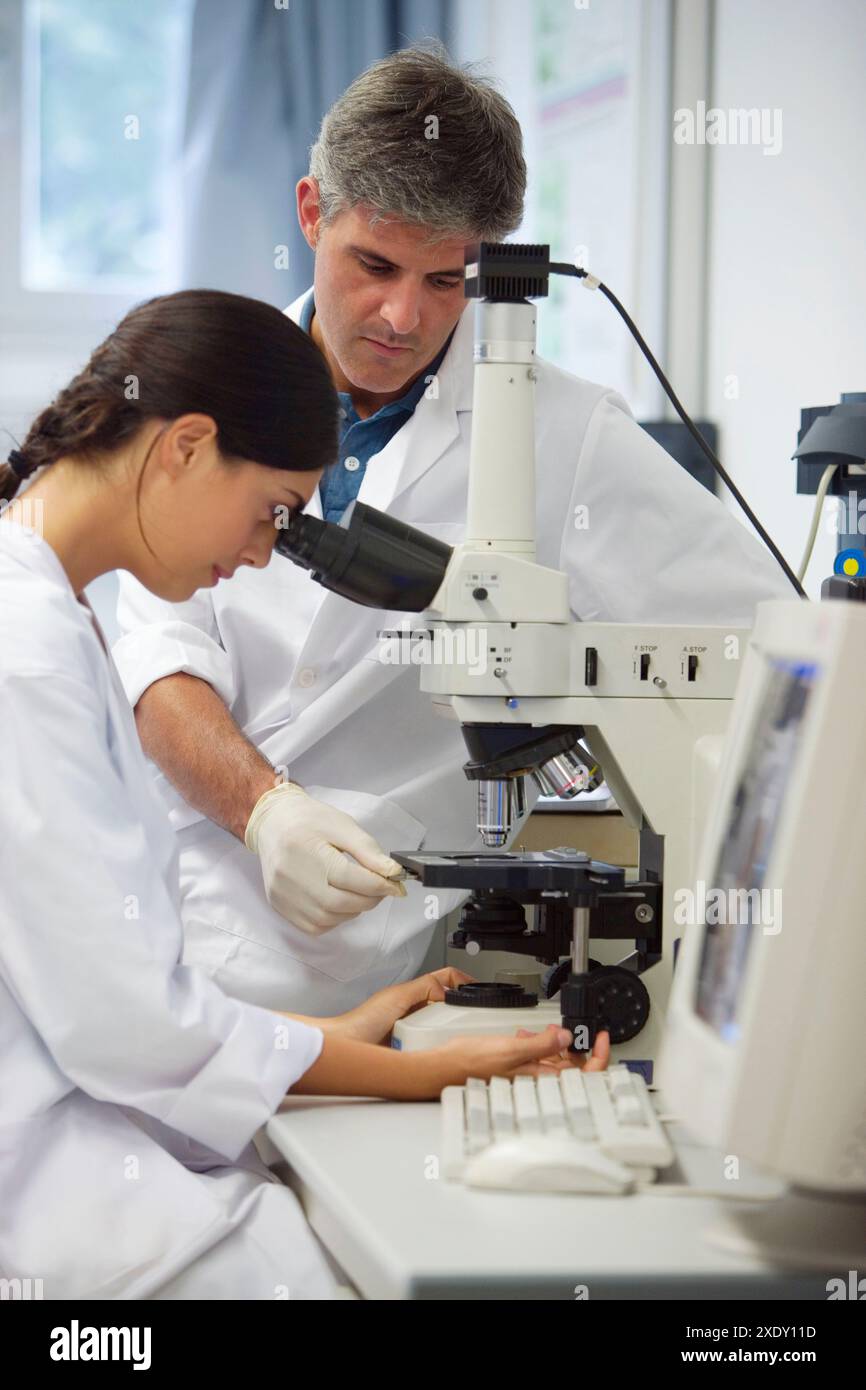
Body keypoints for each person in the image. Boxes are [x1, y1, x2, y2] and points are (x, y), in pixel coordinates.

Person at [112, 44, 793, 1016]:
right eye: (375, 265)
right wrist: (264, 811)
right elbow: (157, 659)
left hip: (355, 964)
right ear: (311, 212)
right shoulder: (201, 389)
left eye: (448, 279)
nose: (402, 315)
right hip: (149, 909)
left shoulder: (563, 436)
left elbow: (773, 639)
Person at [0, 289, 608, 1301]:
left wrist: (332, 1040)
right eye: (273, 512)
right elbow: (121, 1027)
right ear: (186, 446)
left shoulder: (48, 611)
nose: (256, 553)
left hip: (102, 1154)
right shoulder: (27, 652)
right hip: (63, 1209)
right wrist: (420, 1073)